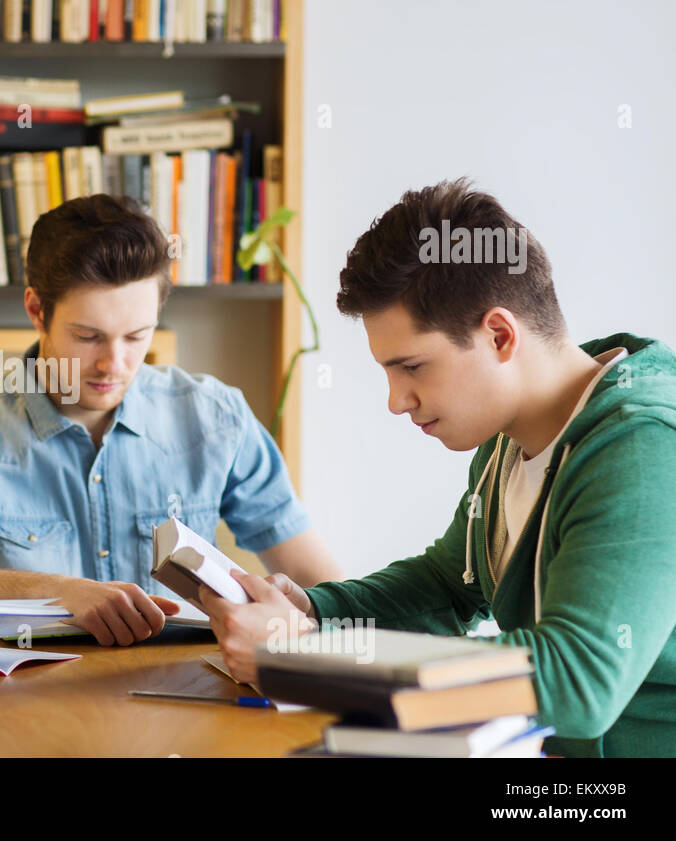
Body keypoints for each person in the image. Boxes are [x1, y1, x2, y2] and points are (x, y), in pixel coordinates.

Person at [201, 178, 676, 757]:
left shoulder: (642, 446)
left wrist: (311, 656)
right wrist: (312, 610)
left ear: (499, 335)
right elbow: (449, 587)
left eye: (413, 368)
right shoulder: (506, 440)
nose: (396, 400)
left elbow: (579, 680)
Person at [0, 193, 341, 647]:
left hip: (188, 698)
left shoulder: (216, 418)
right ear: (37, 310)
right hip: (18, 704)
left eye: (137, 336)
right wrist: (57, 592)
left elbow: (318, 580)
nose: (113, 364)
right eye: (88, 337)